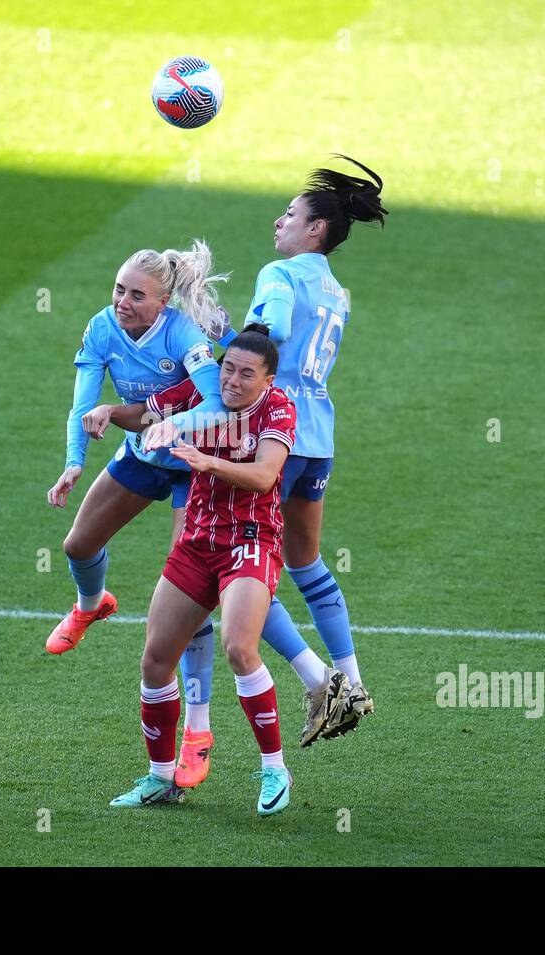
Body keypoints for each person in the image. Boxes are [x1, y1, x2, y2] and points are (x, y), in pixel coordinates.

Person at [146, 155, 388, 744]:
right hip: (319, 434)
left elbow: (271, 340)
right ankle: (351, 680)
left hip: (272, 434)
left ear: (316, 230)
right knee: (307, 561)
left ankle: (315, 680)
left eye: (291, 213)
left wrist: (227, 333)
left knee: (246, 568)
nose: (280, 220)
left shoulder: (279, 276)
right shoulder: (337, 291)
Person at [107, 327, 300, 815]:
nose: (232, 381)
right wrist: (110, 414)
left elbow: (263, 476)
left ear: (268, 379)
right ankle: (161, 778)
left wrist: (204, 460)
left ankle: (275, 767)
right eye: (227, 368)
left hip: (251, 539)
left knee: (239, 646)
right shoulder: (204, 390)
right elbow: (152, 410)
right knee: (155, 660)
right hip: (198, 540)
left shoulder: (279, 408)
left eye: (245, 374)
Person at [43, 241, 229, 655]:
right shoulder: (101, 328)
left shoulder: (183, 333)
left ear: (163, 302)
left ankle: (197, 717)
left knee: (186, 586)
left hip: (193, 464)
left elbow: (219, 404)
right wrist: (74, 463)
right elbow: (83, 406)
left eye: (136, 295)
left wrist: (172, 426)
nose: (122, 302)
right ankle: (90, 606)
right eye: (119, 289)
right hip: (143, 452)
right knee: (78, 545)